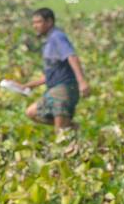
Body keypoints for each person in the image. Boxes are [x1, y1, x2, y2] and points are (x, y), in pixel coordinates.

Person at [20, 7, 90, 135]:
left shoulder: (58, 37)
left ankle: (69, 131)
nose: (35, 26)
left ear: (49, 22)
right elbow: (52, 72)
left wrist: (82, 82)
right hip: (53, 88)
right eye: (34, 23)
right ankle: (71, 127)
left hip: (63, 88)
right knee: (31, 112)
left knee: (61, 133)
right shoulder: (49, 41)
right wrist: (29, 86)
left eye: (39, 22)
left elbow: (72, 57)